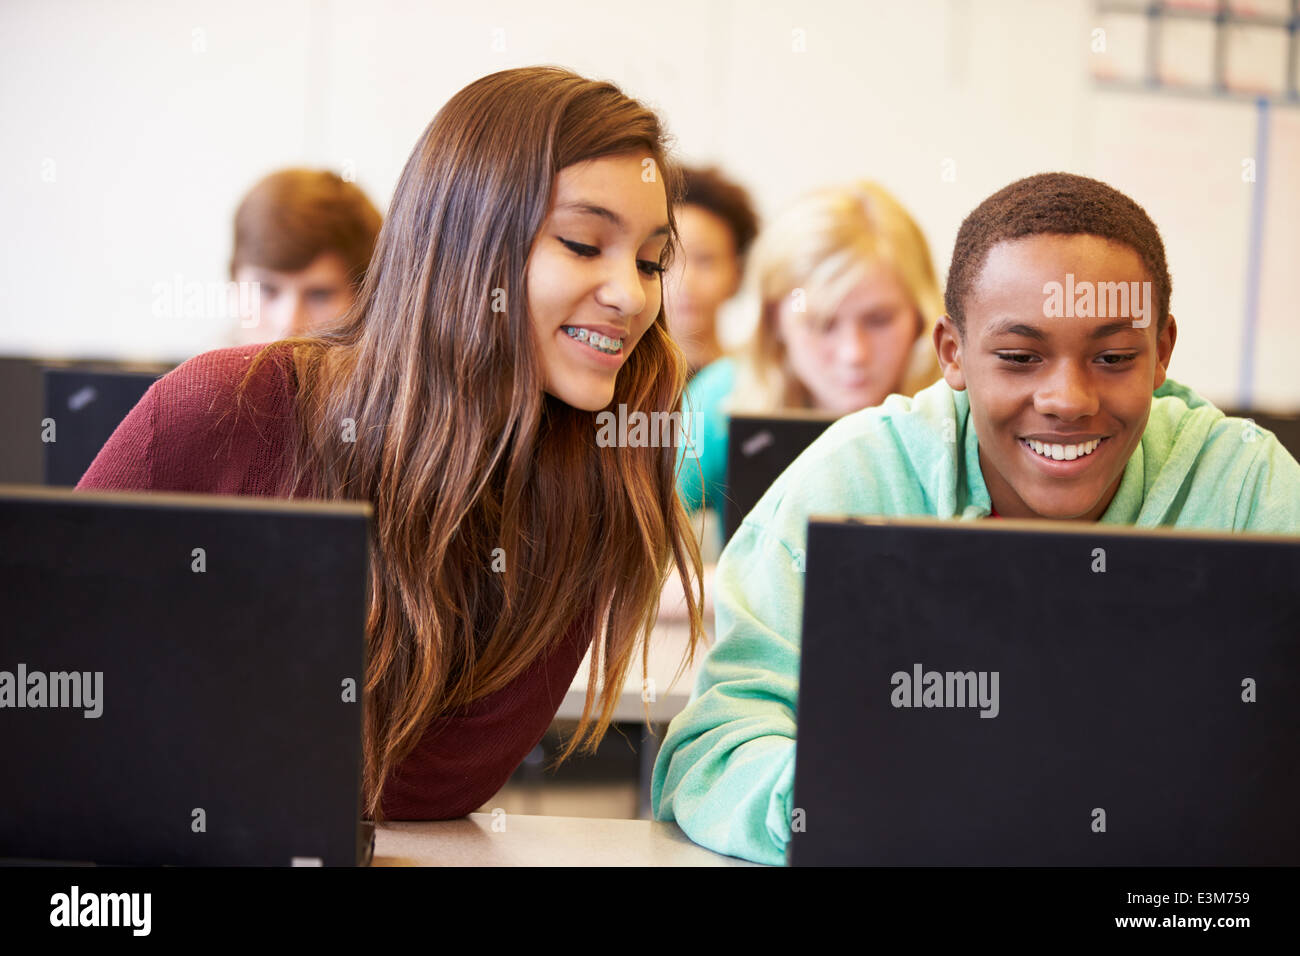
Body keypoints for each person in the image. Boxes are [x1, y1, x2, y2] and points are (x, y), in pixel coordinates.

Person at [78, 66, 706, 822]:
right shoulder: (223, 407)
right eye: (581, 243)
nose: (632, 296)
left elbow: (430, 785)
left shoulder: (596, 472)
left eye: (650, 261)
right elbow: (46, 681)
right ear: (464, 244)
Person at [651, 172, 1300, 865]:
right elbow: (713, 753)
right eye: (1020, 358)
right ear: (952, 353)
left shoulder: (1244, 486)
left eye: (1113, 358)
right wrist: (873, 805)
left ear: (1162, 352)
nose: (1067, 399)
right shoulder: (854, 478)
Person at [229, 168, 382, 345]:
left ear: (366, 300)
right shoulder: (194, 371)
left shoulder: (402, 371)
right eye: (267, 289)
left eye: (319, 295)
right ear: (234, 285)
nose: (288, 324)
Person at [662, 166, 759, 377]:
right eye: (666, 258)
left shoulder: (752, 384)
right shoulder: (619, 379)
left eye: (705, 260)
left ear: (738, 273)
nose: (684, 281)